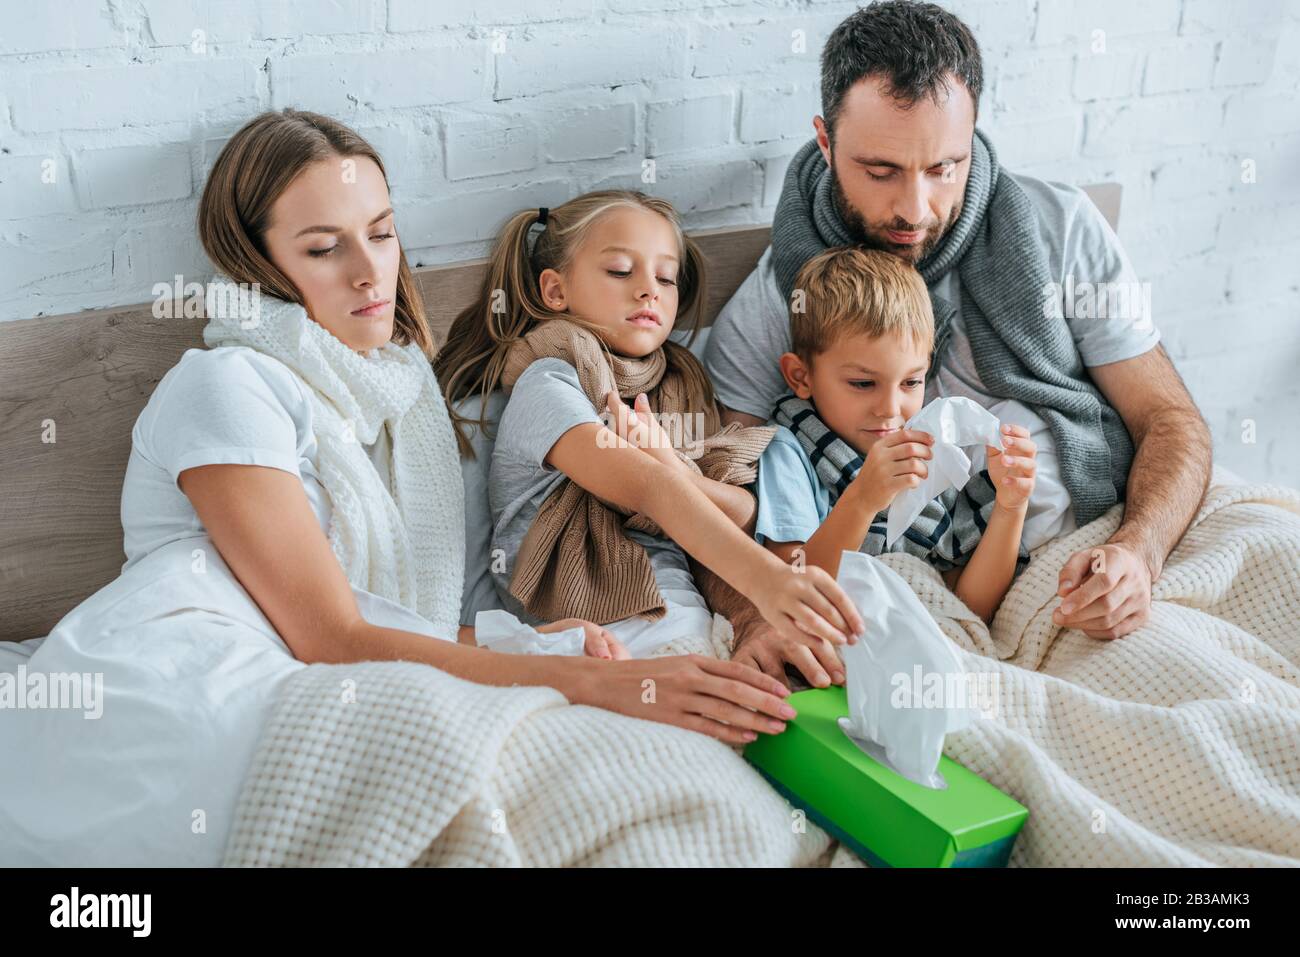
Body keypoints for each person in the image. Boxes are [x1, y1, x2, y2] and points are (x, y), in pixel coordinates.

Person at [0, 110, 802, 866]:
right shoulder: (225, 385)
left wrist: (547, 644)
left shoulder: (398, 396)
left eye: (381, 233)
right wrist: (594, 681)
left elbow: (393, 624)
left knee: (677, 798)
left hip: (332, 674)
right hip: (193, 676)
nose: (369, 270)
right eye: (323, 249)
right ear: (257, 260)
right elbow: (333, 637)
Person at [703, 1, 1210, 688]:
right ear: (824, 142)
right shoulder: (781, 300)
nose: (915, 208)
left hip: (1097, 541)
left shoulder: (1061, 230)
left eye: (946, 167)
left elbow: (1171, 421)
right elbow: (717, 496)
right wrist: (754, 612)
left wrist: (1138, 553)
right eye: (881, 171)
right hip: (934, 592)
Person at [434, 189, 866, 659]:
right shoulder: (548, 382)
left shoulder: (680, 385)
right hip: (603, 627)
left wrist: (680, 473)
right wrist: (769, 580)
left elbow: (744, 514)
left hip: (692, 615)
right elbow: (645, 489)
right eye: (621, 271)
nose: (649, 289)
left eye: (665, 276)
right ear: (555, 290)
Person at [752, 247, 1038, 691]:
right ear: (800, 376)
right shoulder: (786, 453)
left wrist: (1010, 508)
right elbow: (790, 584)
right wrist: (864, 498)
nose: (891, 409)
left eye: (910, 382)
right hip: (845, 653)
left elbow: (968, 604)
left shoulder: (928, 451)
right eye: (863, 383)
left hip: (936, 655)